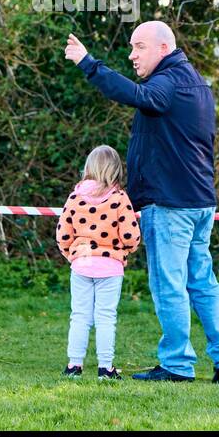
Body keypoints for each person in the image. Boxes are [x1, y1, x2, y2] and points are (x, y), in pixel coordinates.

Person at [64, 22, 219, 383]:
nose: (132, 55)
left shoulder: (167, 82)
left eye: (139, 47)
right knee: (202, 282)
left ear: (163, 48)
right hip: (200, 202)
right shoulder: (198, 83)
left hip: (170, 206)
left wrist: (88, 63)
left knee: (169, 285)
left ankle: (177, 365)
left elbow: (140, 96)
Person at [56, 144, 140, 380]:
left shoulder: (75, 197)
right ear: (115, 170)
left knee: (80, 315)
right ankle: (105, 368)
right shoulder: (119, 198)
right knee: (105, 317)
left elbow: (63, 234)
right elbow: (130, 235)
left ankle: (74, 366)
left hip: (81, 265)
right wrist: (126, 251)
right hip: (110, 268)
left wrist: (71, 254)